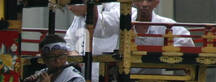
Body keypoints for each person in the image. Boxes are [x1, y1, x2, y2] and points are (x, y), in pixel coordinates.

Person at [65, 0, 193, 55]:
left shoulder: (165, 25)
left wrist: (163, 54)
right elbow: (101, 27)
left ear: (157, 2)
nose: (144, 4)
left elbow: (186, 42)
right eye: (141, 0)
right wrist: (89, 7)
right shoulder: (123, 16)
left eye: (149, 0)